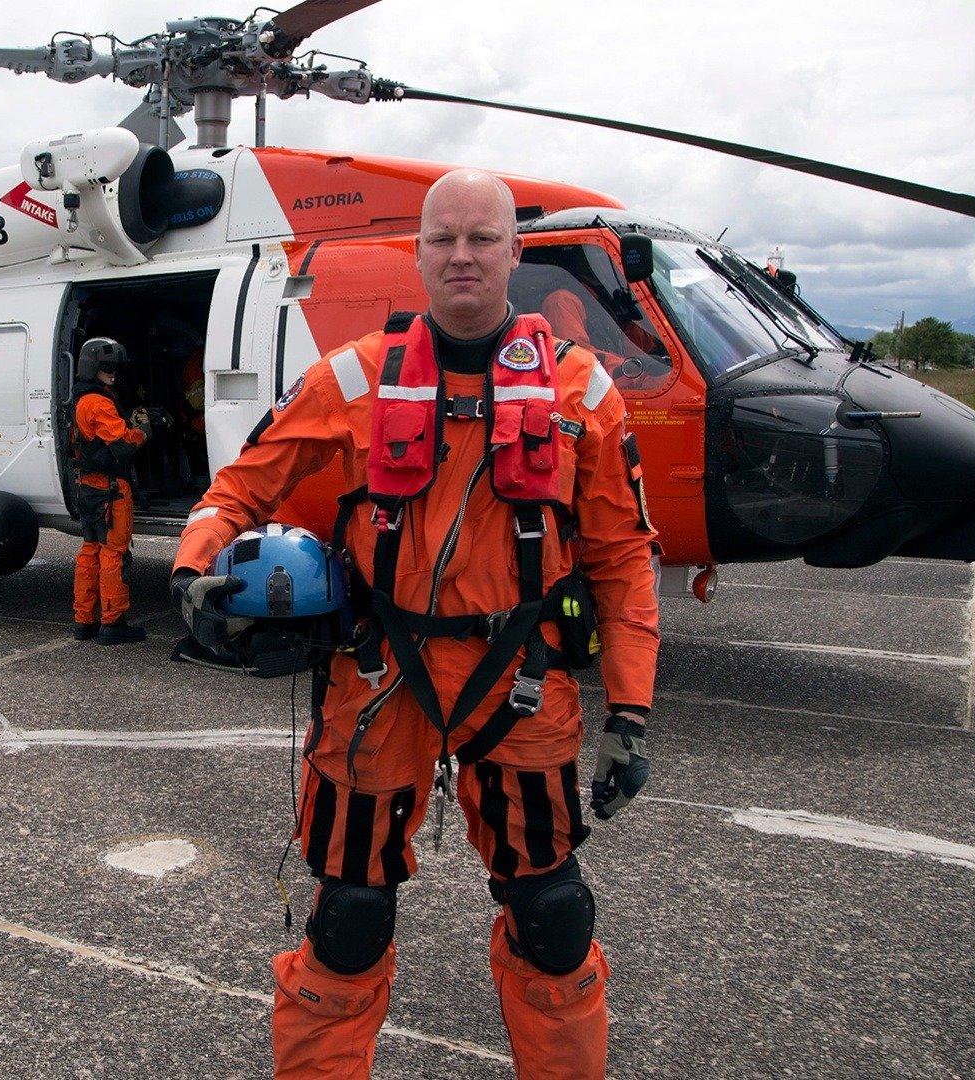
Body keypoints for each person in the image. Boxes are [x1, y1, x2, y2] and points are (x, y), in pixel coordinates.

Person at [172, 170, 659, 1078]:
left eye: (484, 239)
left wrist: (631, 713)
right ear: (419, 253)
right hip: (377, 680)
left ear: (517, 253)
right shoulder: (352, 377)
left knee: (553, 917)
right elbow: (240, 485)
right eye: (444, 239)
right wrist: (194, 568)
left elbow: (625, 560)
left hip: (520, 683)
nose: (463, 256)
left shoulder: (583, 392)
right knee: (349, 919)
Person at [70, 336, 150, 645]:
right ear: (92, 368)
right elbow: (120, 445)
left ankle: (84, 621)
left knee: (90, 550)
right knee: (114, 555)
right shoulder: (99, 402)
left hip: (86, 489)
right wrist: (143, 431)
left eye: (115, 367)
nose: (112, 373)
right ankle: (113, 623)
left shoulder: (79, 399)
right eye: (106, 368)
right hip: (109, 491)